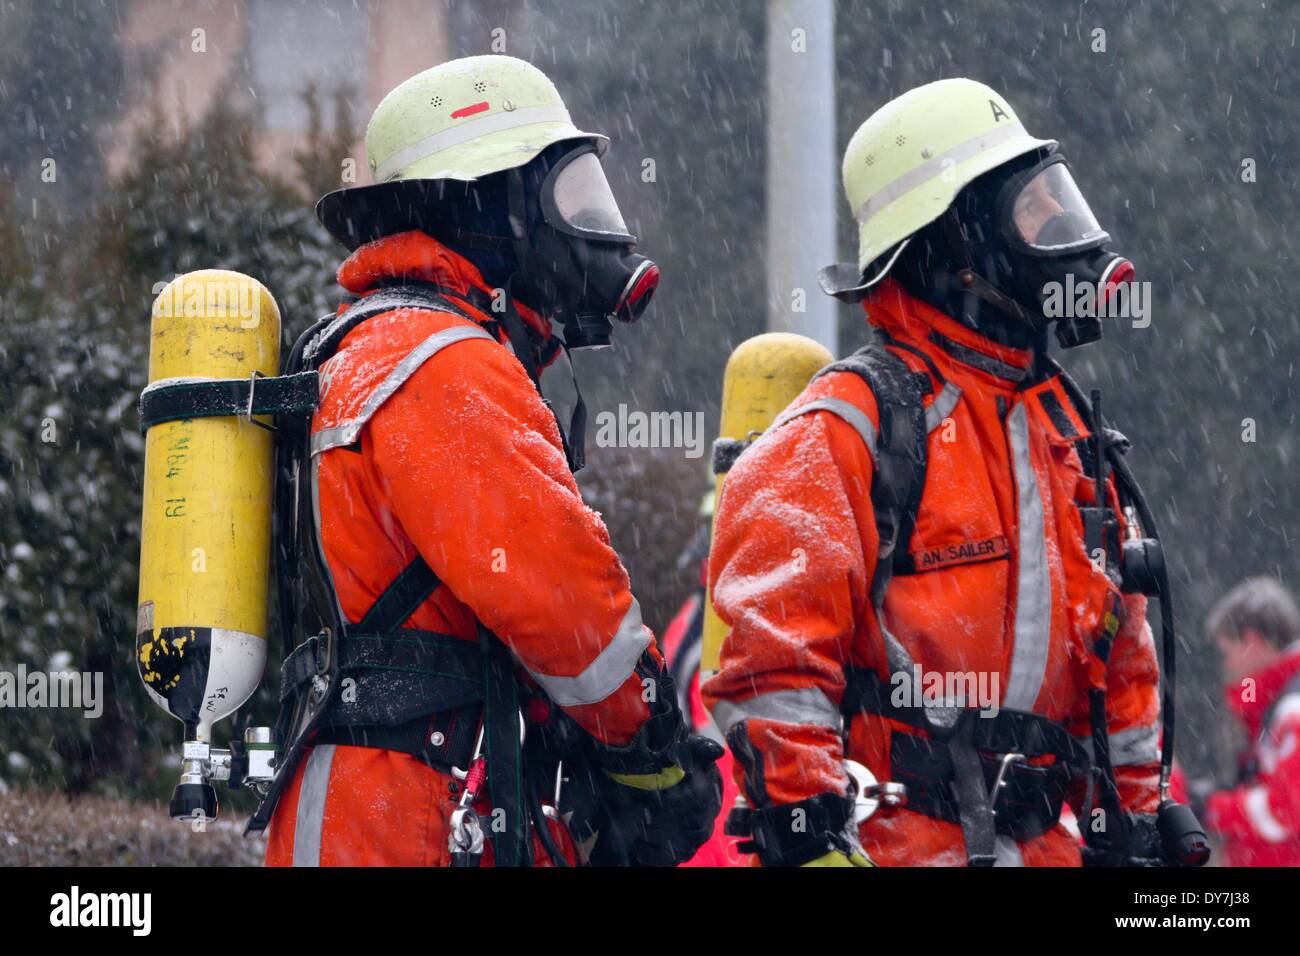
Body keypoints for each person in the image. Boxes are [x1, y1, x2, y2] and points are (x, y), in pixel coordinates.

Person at [254, 54, 720, 867]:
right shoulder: (440, 362)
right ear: (488, 208)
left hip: (377, 797)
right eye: (565, 195)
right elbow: (562, 602)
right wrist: (657, 751)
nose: (591, 226)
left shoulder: (380, 346)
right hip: (398, 817)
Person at [703, 78, 1168, 867]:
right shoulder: (853, 425)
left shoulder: (1066, 436)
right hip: (894, 844)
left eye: (1061, 200)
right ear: (955, 245)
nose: (1064, 233)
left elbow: (1120, 670)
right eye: (1033, 210)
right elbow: (774, 658)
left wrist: (1140, 824)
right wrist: (809, 833)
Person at [1200, 577, 1300, 865]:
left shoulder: (1292, 709)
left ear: (1252, 640)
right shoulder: (1272, 702)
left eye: (1227, 651)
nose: (1227, 664)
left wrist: (1214, 808)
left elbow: (1284, 810)